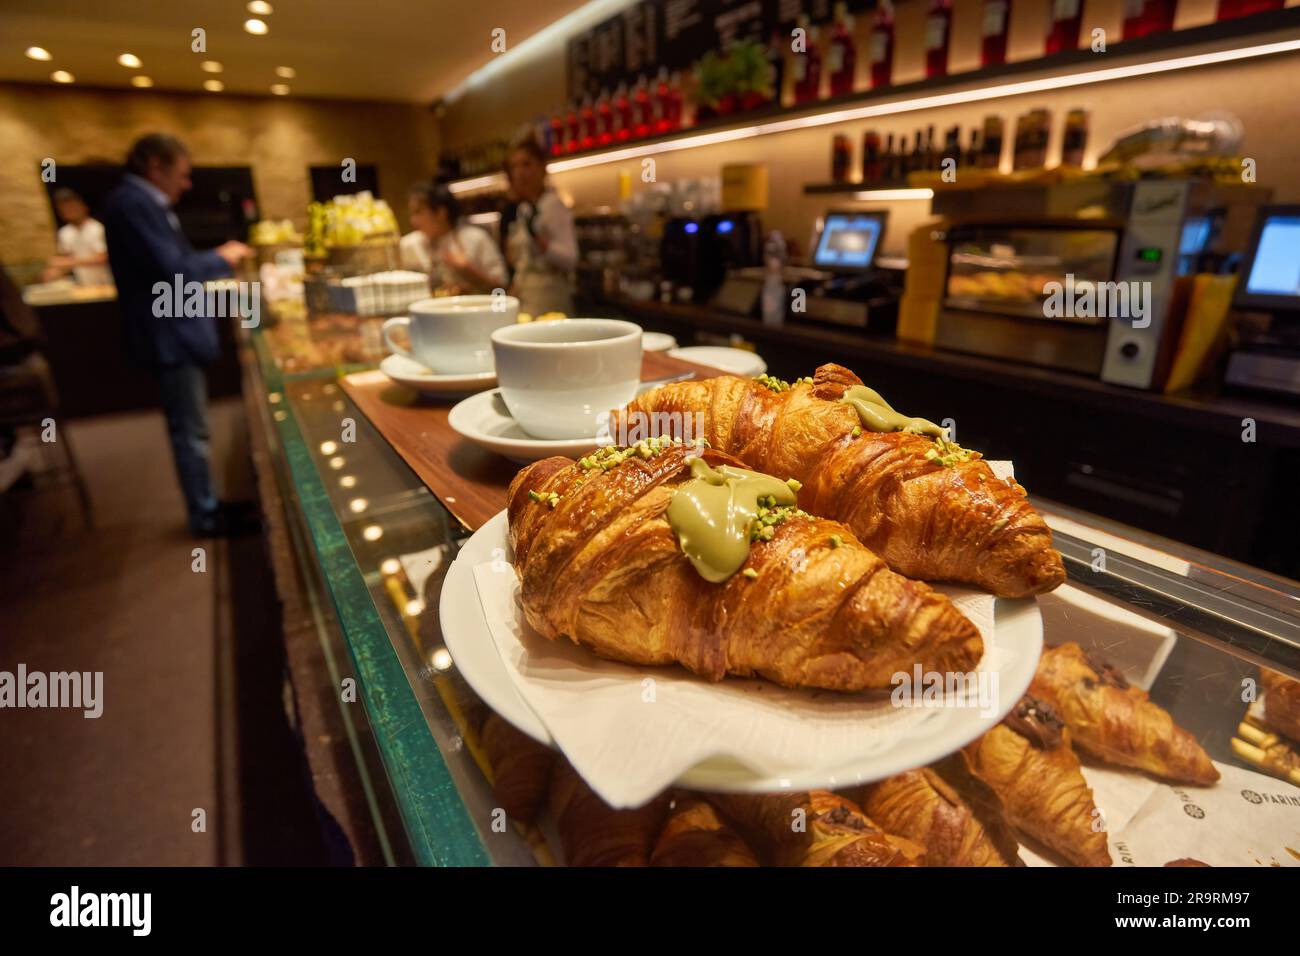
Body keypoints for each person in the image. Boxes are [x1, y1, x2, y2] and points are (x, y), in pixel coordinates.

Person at [101, 133, 253, 536]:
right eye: (182, 175)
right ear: (156, 167)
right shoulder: (133, 203)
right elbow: (172, 269)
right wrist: (221, 258)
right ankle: (205, 515)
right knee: (191, 431)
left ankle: (208, 505)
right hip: (168, 334)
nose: (186, 185)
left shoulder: (140, 203)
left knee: (193, 428)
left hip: (172, 330)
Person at [504, 135, 576, 316]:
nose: (519, 172)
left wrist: (540, 242)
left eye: (526, 164)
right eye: (514, 167)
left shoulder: (553, 206)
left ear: (542, 168)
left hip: (549, 299)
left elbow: (570, 260)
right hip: (524, 297)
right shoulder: (524, 209)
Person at [399, 183, 507, 294]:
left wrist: (466, 270)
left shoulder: (475, 238)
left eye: (419, 212)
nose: (413, 221)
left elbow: (500, 289)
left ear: (441, 212)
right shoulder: (412, 244)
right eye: (412, 214)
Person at [42, 188, 112, 287]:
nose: (69, 211)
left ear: (84, 207)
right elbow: (66, 258)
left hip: (106, 283)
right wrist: (55, 271)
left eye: (72, 207)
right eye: (64, 209)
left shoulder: (97, 228)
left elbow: (103, 258)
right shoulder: (64, 233)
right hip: (84, 284)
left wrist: (69, 262)